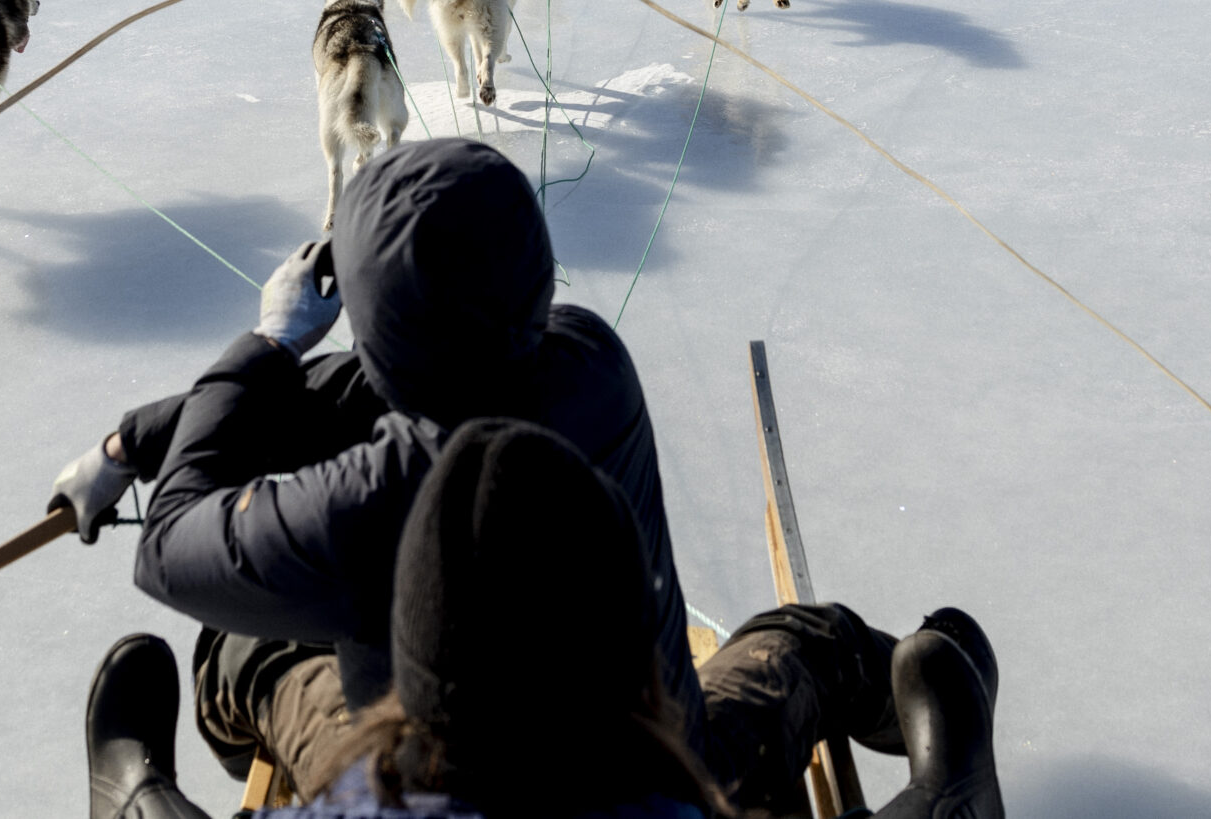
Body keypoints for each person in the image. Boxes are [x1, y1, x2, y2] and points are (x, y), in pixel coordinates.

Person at [49, 138, 1003, 816]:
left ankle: (139, 802)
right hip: (667, 757)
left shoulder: (361, 502)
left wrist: (261, 346)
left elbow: (177, 541)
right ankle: (946, 755)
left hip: (414, 773)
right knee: (816, 640)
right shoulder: (593, 360)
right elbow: (365, 386)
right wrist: (143, 432)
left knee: (237, 645)